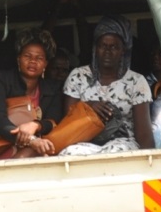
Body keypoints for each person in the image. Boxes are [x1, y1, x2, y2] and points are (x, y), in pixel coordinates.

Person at [60, 15, 154, 156]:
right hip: (84, 141)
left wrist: (150, 163)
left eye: (114, 47)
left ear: (123, 50)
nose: (108, 51)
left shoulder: (136, 81)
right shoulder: (78, 76)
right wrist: (89, 106)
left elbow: (144, 134)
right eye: (103, 46)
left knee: (116, 153)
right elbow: (67, 122)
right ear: (95, 48)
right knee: (70, 153)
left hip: (122, 142)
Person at [0, 29, 63, 158]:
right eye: (27, 56)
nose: (33, 61)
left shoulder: (52, 88)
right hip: (3, 145)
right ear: (18, 59)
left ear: (46, 64)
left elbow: (54, 121)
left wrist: (35, 125)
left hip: (39, 148)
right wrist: (31, 140)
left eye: (39, 58)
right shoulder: (1, 79)